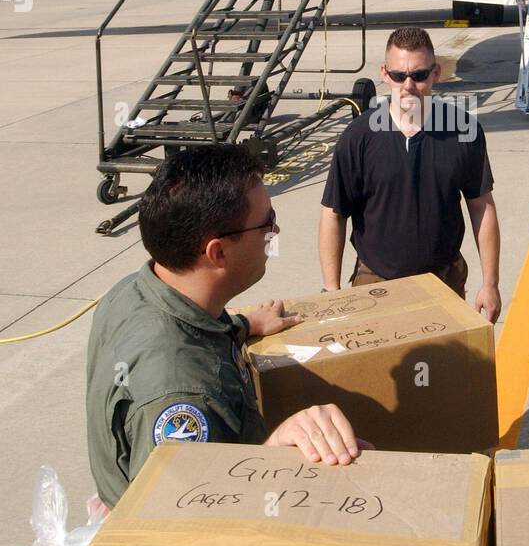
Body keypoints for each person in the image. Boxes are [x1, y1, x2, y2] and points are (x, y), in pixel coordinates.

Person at [87, 145, 367, 509]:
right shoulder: (182, 395)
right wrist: (273, 449)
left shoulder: (137, 290)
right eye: (267, 223)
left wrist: (244, 323)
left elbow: (190, 330)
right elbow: (176, 515)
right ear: (217, 253)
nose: (275, 231)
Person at [319, 26, 502, 321]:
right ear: (383, 73)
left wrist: (490, 284)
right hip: (375, 283)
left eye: (418, 75)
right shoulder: (358, 137)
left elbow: (482, 207)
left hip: (444, 281)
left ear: (436, 73)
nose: (408, 86)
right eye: (398, 75)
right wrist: (331, 290)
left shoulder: (464, 132)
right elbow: (333, 213)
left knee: (446, 366)